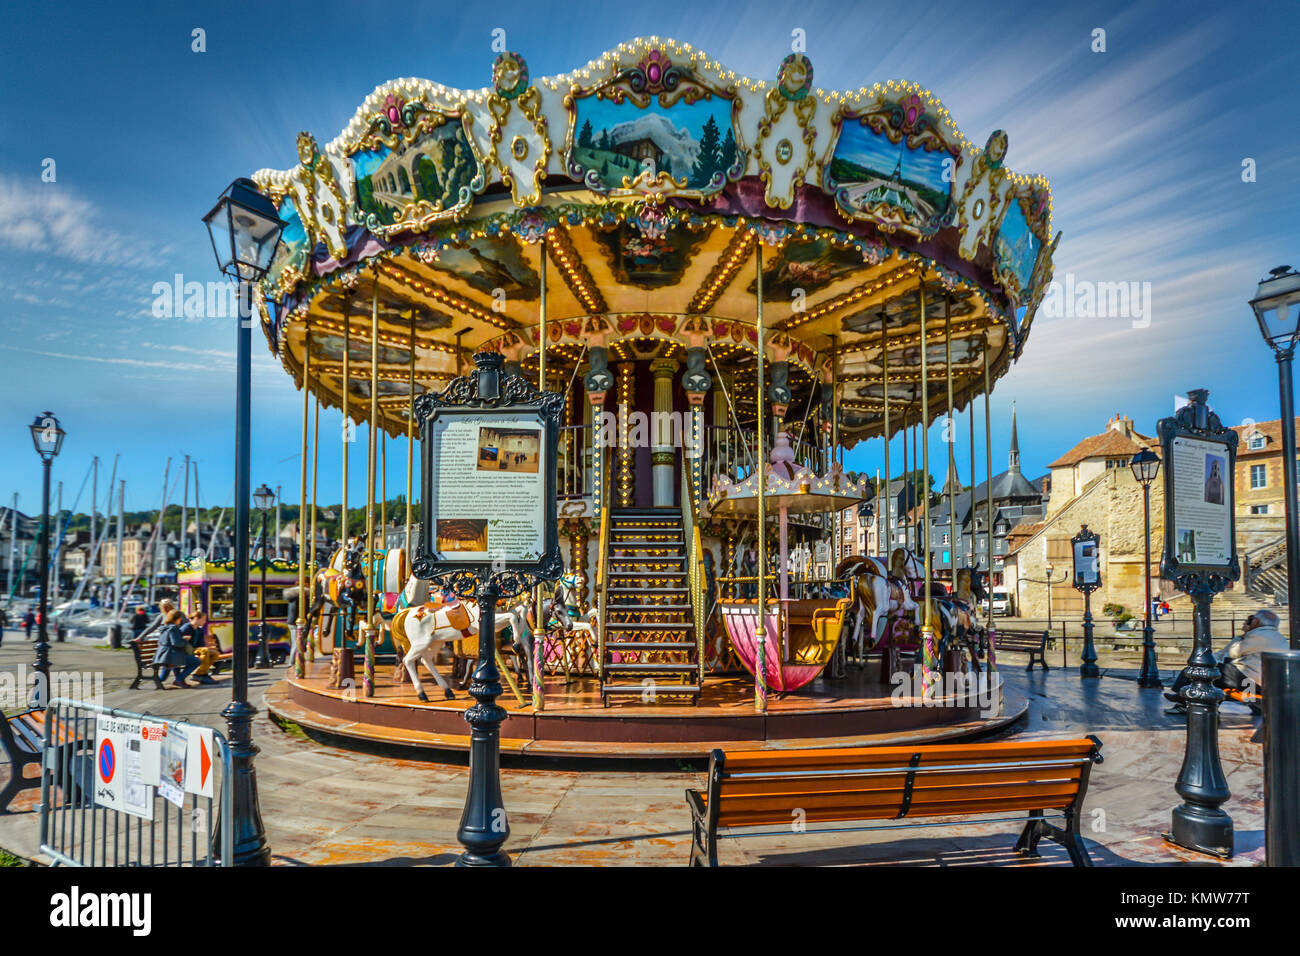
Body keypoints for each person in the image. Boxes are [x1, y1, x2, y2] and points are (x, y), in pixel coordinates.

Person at [1165, 610, 1288, 714]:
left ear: (1256, 622)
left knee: (1203, 670)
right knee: (1217, 676)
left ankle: (1182, 698)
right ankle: (1190, 703)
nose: (1247, 621)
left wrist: (1241, 636)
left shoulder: (1259, 635)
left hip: (1251, 681)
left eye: (1251, 619)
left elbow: (1233, 652)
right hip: (1267, 683)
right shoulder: (1276, 637)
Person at [151, 610, 199, 688]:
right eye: (180, 619)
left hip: (163, 656)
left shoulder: (165, 627)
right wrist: (185, 640)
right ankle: (179, 679)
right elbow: (176, 643)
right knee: (196, 661)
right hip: (170, 656)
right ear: (177, 619)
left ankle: (160, 681)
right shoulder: (174, 628)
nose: (181, 620)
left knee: (163, 677)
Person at [182, 611, 219, 685]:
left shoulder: (199, 630)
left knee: (215, 653)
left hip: (195, 650)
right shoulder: (186, 628)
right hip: (185, 651)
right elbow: (183, 643)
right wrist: (193, 653)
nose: (205, 621)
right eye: (203, 619)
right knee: (204, 651)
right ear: (196, 619)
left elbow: (201, 644)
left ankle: (200, 674)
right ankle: (202, 675)